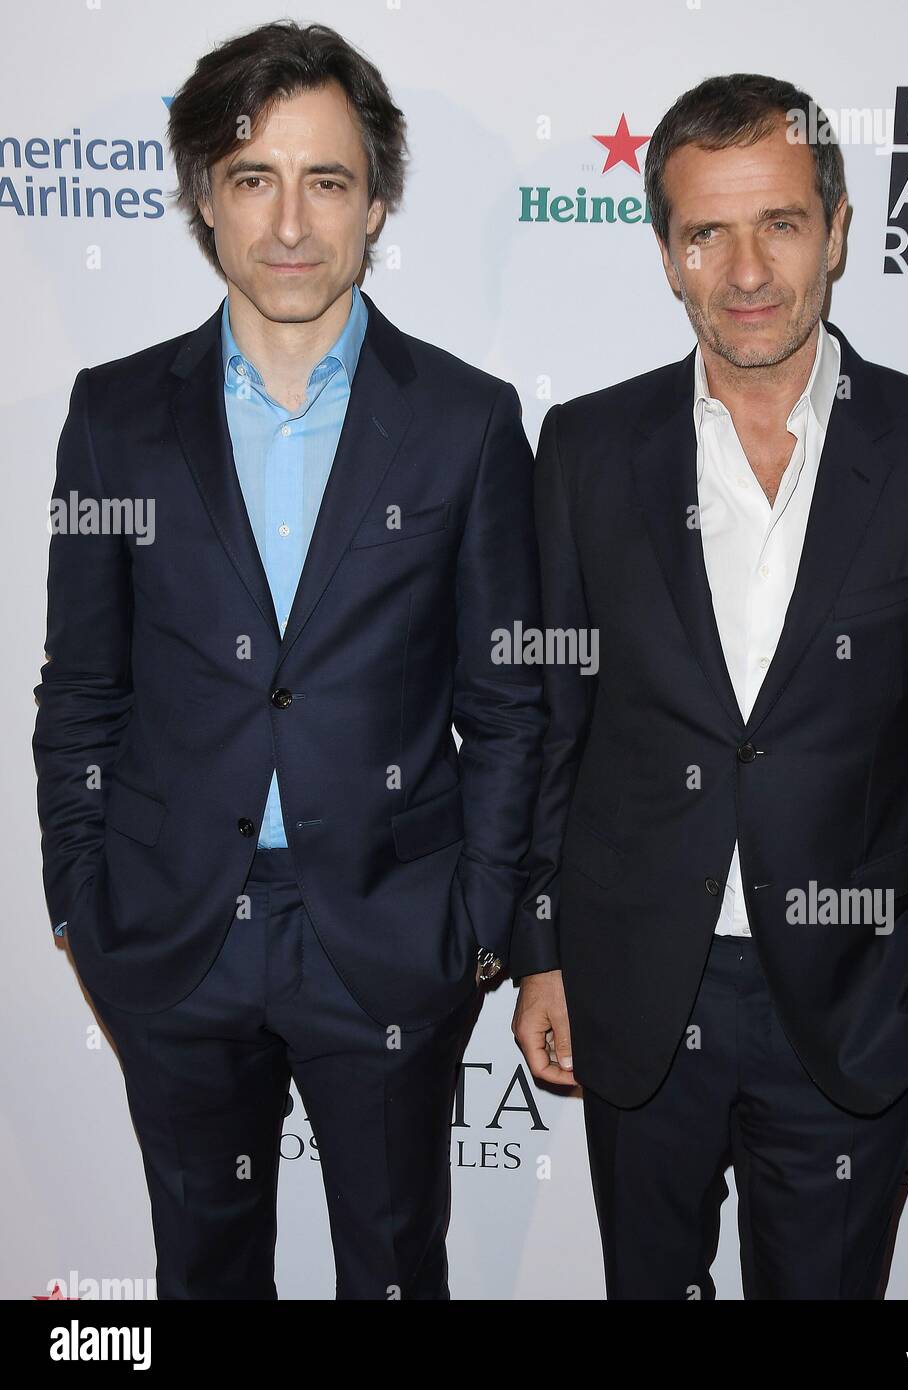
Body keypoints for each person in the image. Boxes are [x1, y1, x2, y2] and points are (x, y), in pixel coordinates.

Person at [511, 73, 908, 1299]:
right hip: (635, 986)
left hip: (854, 1004)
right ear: (665, 255)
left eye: (780, 224)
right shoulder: (587, 449)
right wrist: (540, 947)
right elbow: (554, 717)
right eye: (706, 232)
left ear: (839, 230)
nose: (745, 270)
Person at [33, 20, 544, 1300]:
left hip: (387, 930)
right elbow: (83, 686)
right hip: (172, 930)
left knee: (389, 1268)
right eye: (252, 177)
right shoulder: (113, 413)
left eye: (326, 180)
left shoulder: (466, 420)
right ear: (204, 198)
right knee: (202, 1271)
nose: (290, 222)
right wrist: (78, 900)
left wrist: (477, 922)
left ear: (376, 204)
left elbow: (508, 697)